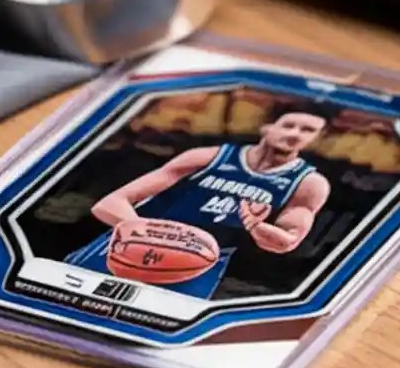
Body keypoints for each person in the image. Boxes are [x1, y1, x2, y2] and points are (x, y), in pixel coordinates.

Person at [64, 102, 333, 299]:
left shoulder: (309, 183)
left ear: (316, 140)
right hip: (130, 245)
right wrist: (154, 236)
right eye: (288, 125)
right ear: (268, 127)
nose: (295, 133)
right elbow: (109, 204)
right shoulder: (206, 157)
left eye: (307, 130)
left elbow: (287, 241)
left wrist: (255, 225)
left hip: (198, 266)